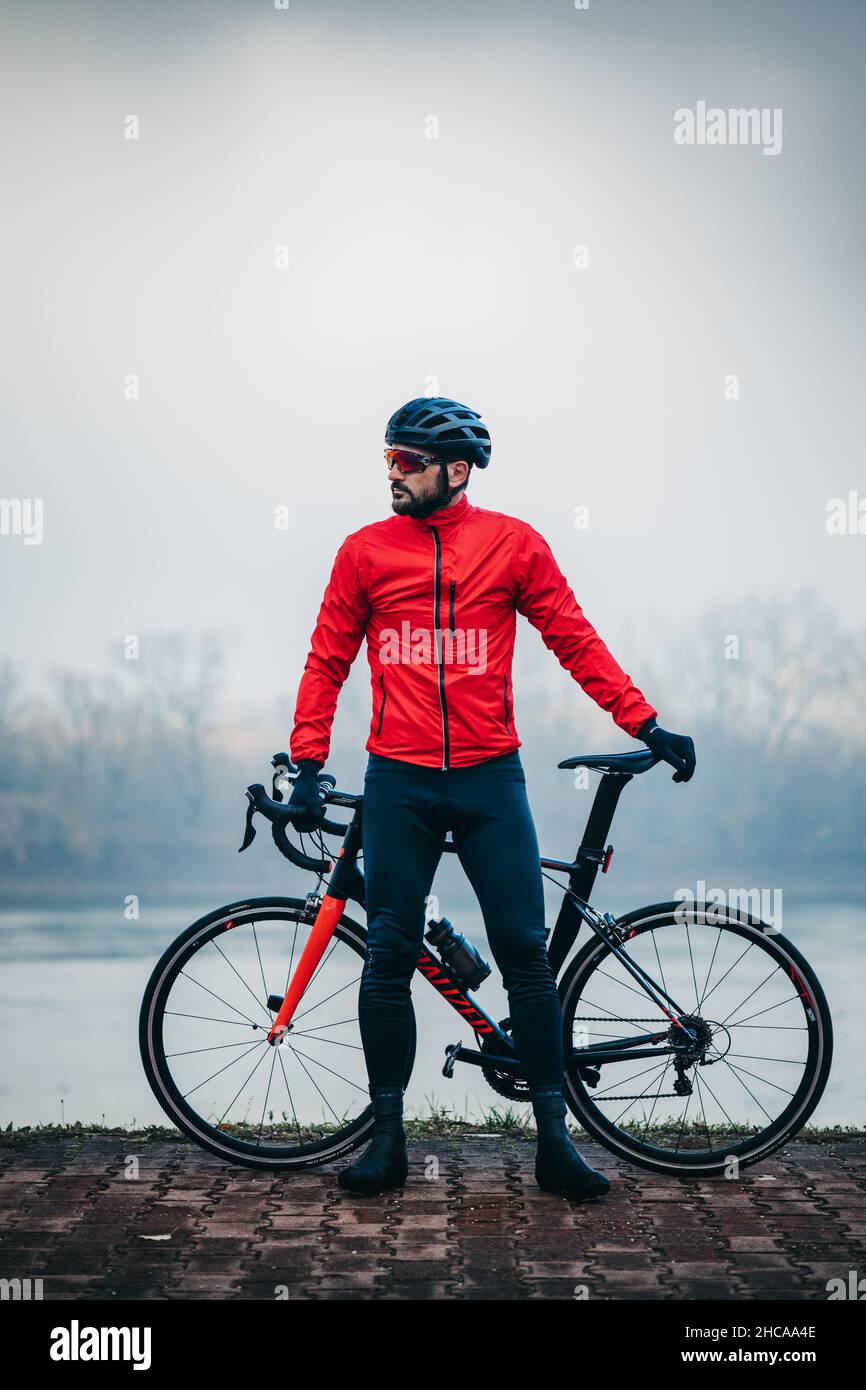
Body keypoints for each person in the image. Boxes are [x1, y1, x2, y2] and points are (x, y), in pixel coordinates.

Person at [287, 397, 696, 1200]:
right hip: (397, 779)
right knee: (388, 958)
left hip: (488, 777)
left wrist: (644, 721)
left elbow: (573, 639)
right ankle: (388, 1143)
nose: (393, 473)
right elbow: (326, 660)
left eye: (407, 461)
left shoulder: (512, 545)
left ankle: (554, 1144)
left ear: (456, 470)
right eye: (388, 459)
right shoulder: (363, 553)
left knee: (526, 962)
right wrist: (307, 762)